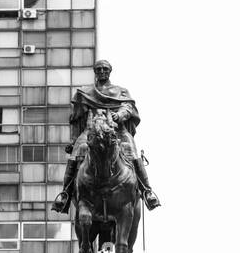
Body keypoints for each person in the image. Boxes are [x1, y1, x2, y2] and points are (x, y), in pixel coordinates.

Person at [52, 58, 161, 214]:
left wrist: (120, 115)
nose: (102, 72)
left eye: (105, 69)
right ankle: (65, 193)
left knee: (132, 151)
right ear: (95, 72)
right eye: (99, 69)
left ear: (110, 71)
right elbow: (76, 118)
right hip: (90, 131)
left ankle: (147, 191)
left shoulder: (120, 91)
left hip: (118, 131)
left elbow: (128, 108)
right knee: (76, 153)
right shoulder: (85, 92)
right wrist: (73, 140)